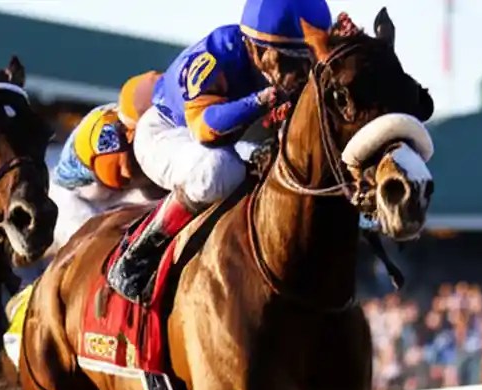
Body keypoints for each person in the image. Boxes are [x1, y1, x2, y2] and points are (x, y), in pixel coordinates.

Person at [105, 0, 333, 301]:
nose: (299, 73)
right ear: (257, 48)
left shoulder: (278, 61)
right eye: (289, 60)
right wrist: (261, 100)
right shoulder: (215, 57)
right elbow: (204, 128)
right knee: (218, 169)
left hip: (229, 144)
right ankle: (138, 254)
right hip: (168, 133)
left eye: (306, 59)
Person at [48, 71, 163, 255]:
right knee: (96, 247)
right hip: (76, 198)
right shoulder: (108, 136)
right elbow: (122, 175)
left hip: (125, 193)